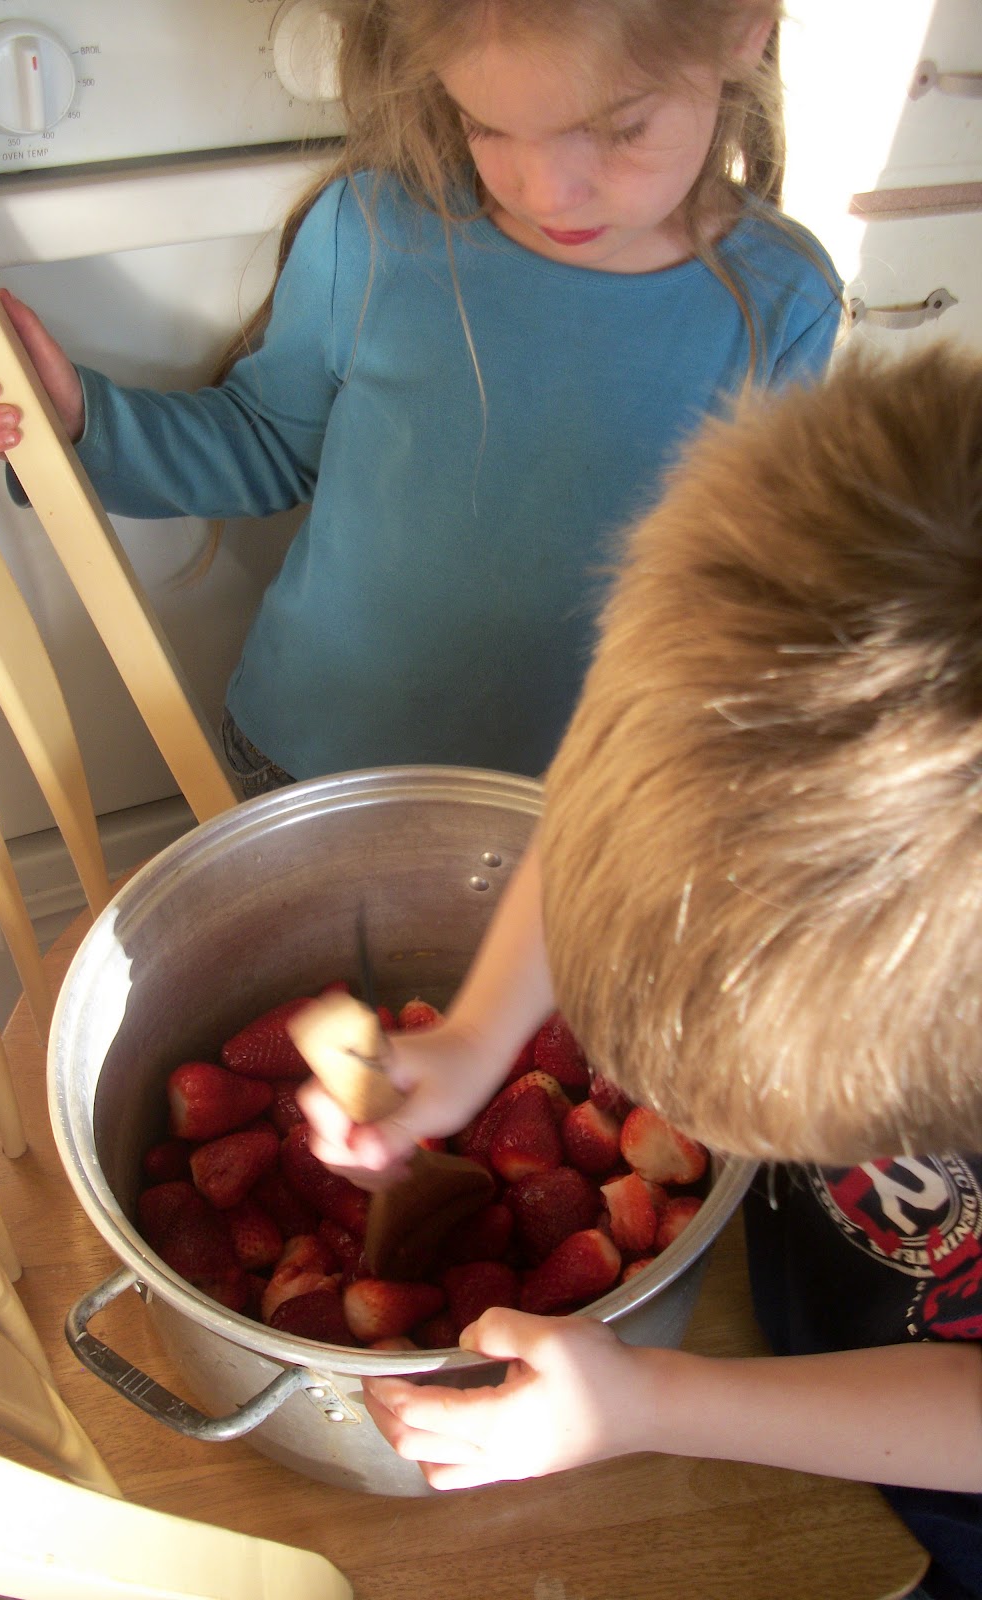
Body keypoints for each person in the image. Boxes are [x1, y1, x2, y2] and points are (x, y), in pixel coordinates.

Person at [298, 342, 982, 1599]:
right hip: (820, 1298)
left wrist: (652, 1401)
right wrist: (471, 1043)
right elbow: (606, 817)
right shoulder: (733, 684)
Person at [0, 0, 840, 796]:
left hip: (575, 808)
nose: (542, 188)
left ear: (741, 29)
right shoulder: (374, 234)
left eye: (617, 128)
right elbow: (262, 444)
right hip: (311, 764)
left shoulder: (781, 301)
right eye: (487, 126)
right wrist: (73, 425)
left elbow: (750, 589)